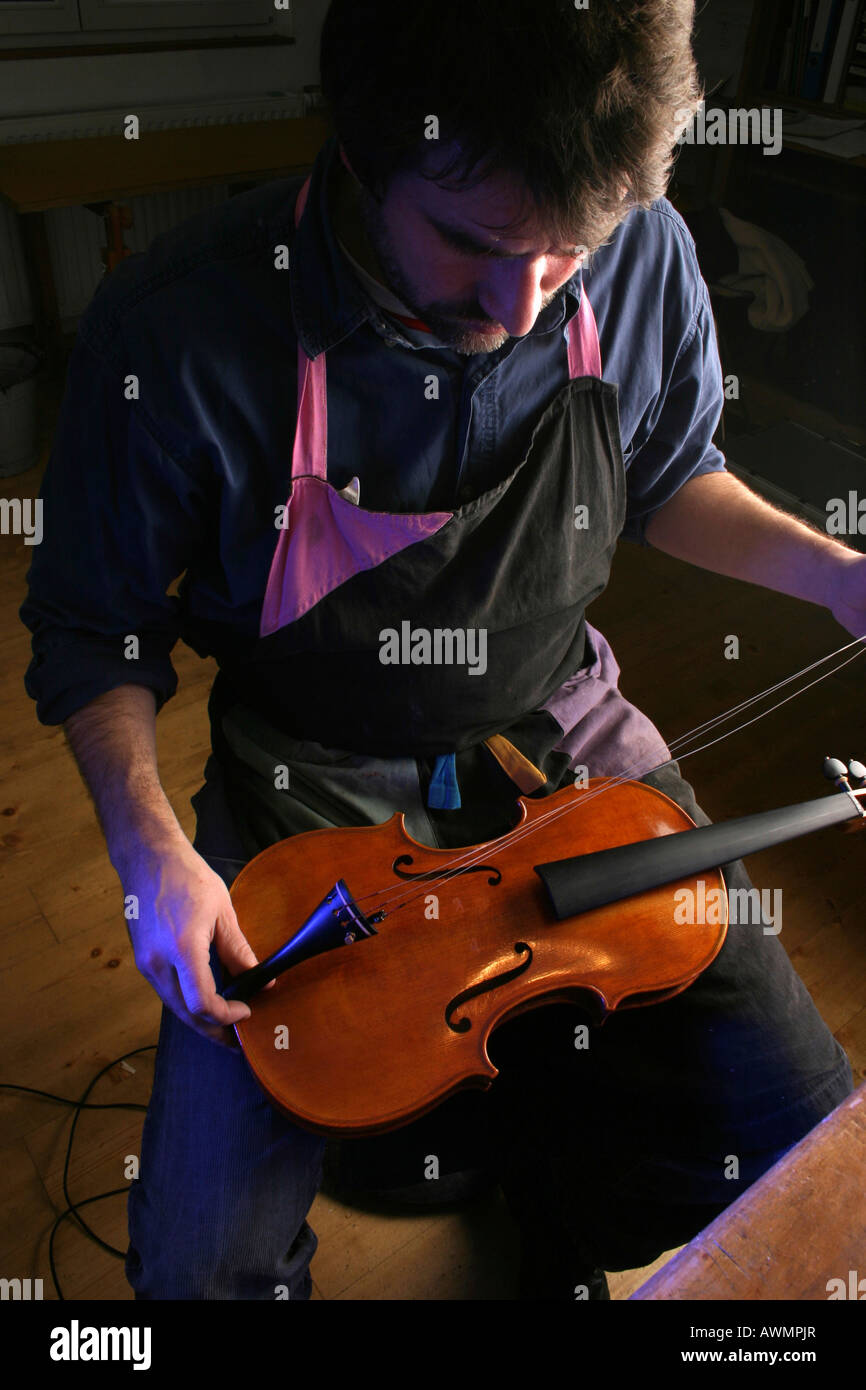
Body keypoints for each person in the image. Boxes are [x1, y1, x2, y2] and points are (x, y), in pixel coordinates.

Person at [20, 0, 863, 1301]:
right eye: (472, 242)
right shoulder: (179, 328)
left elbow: (668, 471)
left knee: (801, 1127)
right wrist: (147, 853)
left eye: (567, 256)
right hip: (305, 778)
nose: (524, 304)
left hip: (557, 737)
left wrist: (834, 576)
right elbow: (94, 631)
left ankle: (551, 1184)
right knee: (200, 1274)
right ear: (359, 154)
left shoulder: (640, 251)